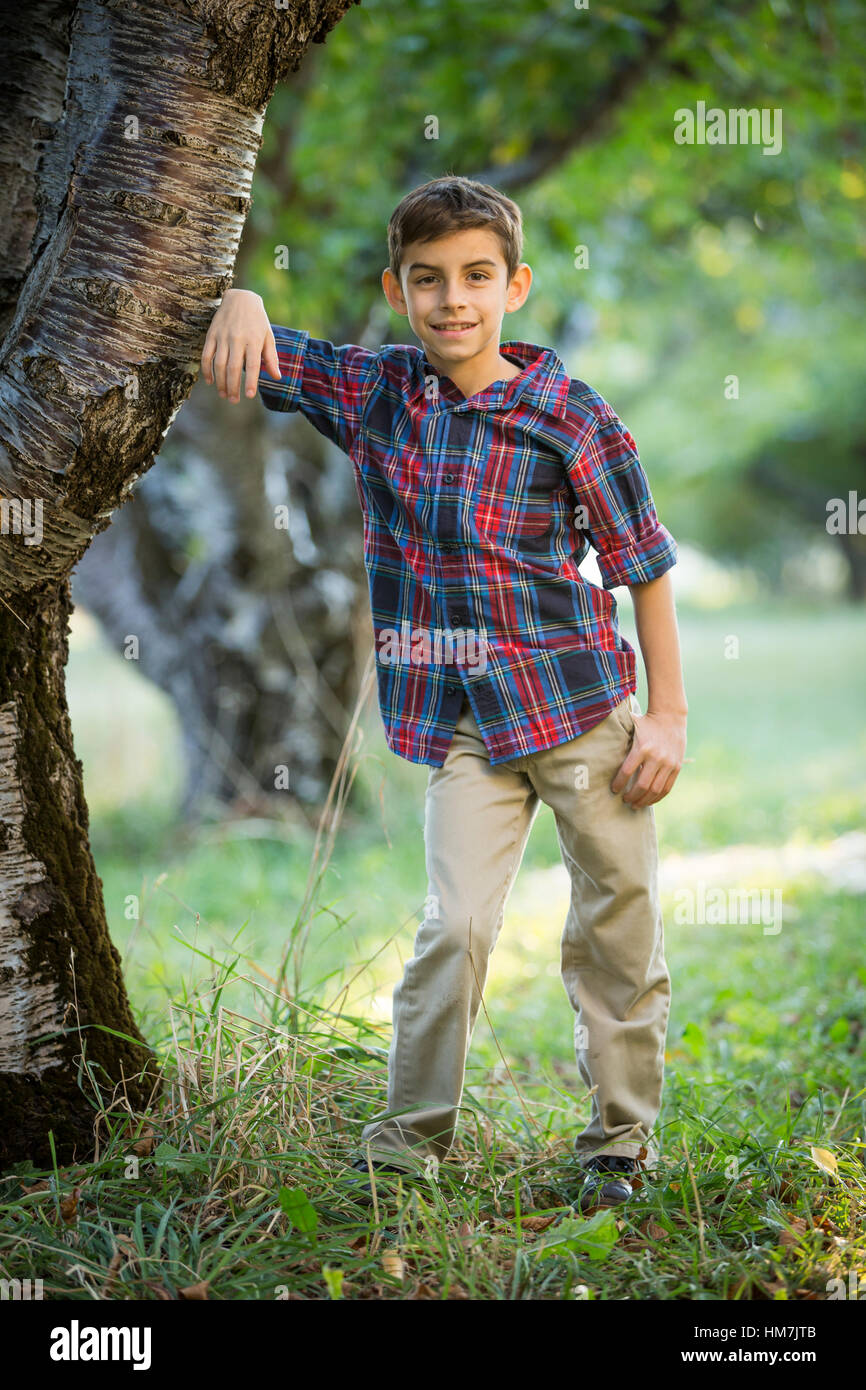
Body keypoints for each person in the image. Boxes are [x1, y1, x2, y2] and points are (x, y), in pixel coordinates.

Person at [200, 175, 688, 1215]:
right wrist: (238, 299)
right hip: (464, 724)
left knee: (616, 921)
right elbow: (264, 347)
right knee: (454, 924)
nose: (451, 300)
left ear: (512, 285)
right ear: (395, 290)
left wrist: (667, 715)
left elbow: (643, 567)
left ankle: (620, 1141)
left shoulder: (569, 416)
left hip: (580, 712)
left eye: (474, 277)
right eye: (427, 281)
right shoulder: (378, 392)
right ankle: (407, 1140)